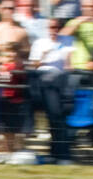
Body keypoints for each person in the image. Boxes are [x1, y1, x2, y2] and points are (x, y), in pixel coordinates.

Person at [28, 15, 74, 162]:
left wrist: (67, 60)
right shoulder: (40, 43)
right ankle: (60, 155)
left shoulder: (68, 41)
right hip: (46, 82)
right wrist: (43, 56)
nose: (54, 30)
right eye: (51, 27)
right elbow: (33, 65)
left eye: (57, 27)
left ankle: (60, 154)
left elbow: (70, 64)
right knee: (55, 117)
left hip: (64, 82)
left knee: (60, 118)